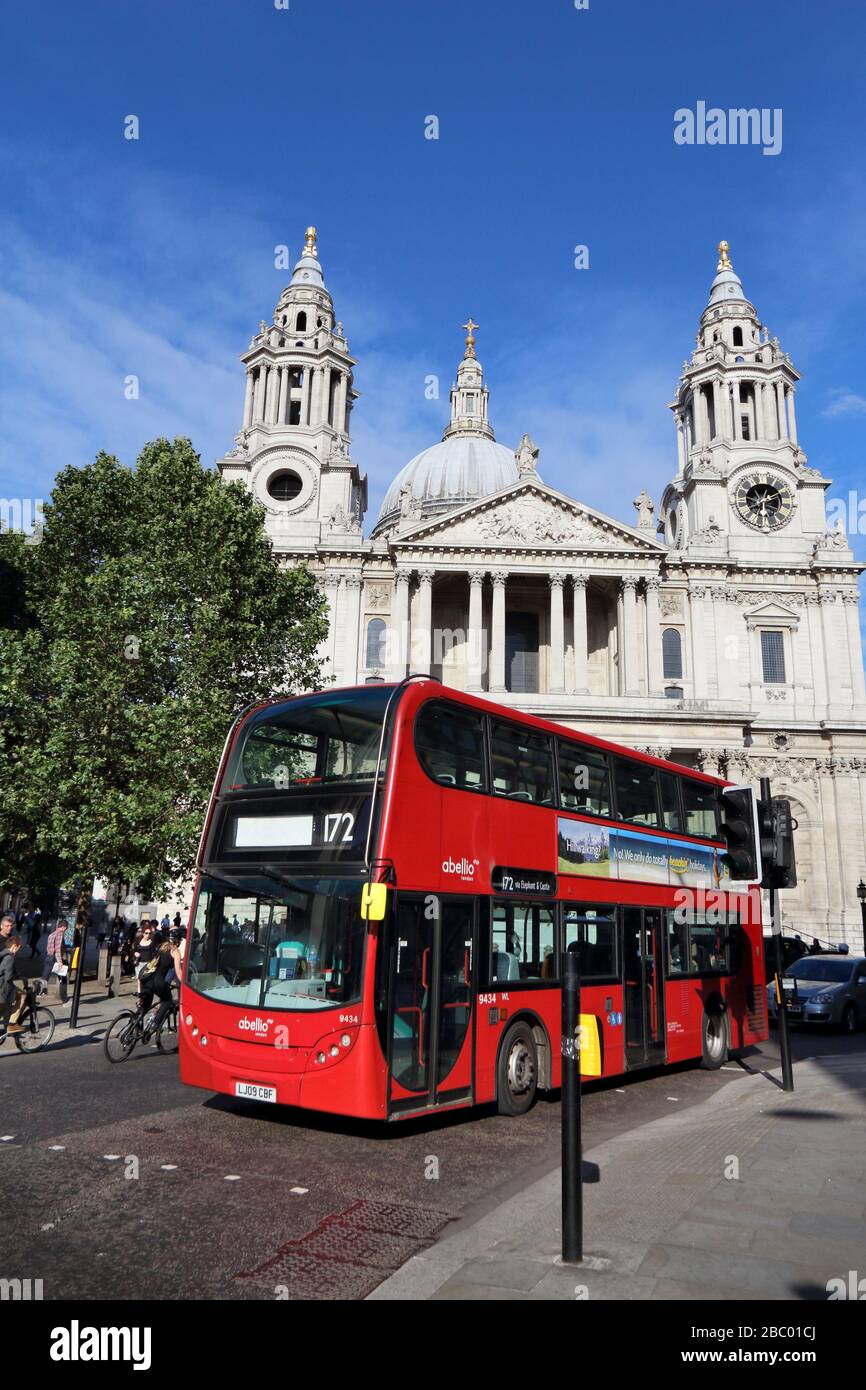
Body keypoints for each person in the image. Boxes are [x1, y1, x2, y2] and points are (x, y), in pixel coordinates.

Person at [138, 938, 182, 1038]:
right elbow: (178, 972)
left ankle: (135, 1026)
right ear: (178, 942)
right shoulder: (175, 951)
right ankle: (155, 1024)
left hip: (147, 979)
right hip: (157, 980)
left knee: (145, 1005)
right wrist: (187, 983)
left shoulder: (161, 948)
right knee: (167, 1000)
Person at [0, 934, 25, 1034]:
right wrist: (17, 988)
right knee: (22, 995)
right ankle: (11, 1024)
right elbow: (8, 978)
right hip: (2, 992)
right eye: (19, 947)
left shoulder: (2, 954)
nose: (19, 950)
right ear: (14, 946)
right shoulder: (10, 958)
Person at [42, 919, 66, 995]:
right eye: (66, 928)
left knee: (45, 977)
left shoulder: (52, 934)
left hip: (48, 956)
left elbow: (48, 947)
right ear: (63, 927)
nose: (65, 930)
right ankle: (64, 997)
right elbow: (58, 949)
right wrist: (60, 961)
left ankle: (40, 991)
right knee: (63, 977)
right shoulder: (59, 935)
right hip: (54, 958)